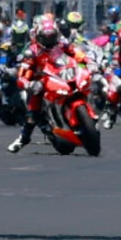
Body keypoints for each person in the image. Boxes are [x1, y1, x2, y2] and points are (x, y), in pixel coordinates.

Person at [7, 15, 72, 154]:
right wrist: (26, 83)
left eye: (52, 37)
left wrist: (87, 62)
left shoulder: (62, 45)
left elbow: (77, 54)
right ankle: (23, 138)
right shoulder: (31, 50)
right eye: (46, 38)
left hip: (62, 77)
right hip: (41, 82)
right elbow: (24, 71)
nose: (49, 42)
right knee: (32, 112)